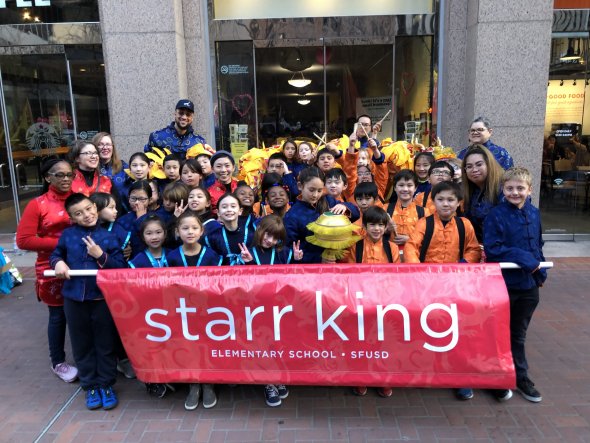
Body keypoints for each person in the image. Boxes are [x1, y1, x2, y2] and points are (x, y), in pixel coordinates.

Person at [50, 193, 126, 410]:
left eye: (88, 209)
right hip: (74, 299)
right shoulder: (68, 235)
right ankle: (90, 386)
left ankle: (106, 384)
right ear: (71, 217)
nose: (86, 215)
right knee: (81, 344)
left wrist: (100, 255)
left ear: (95, 206)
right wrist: (58, 262)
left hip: (102, 298)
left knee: (105, 343)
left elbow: (120, 267)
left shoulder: (109, 236)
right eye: (78, 213)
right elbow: (56, 254)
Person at [483, 167, 548, 403]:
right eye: (510, 188)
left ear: (529, 190)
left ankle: (520, 376)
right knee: (497, 333)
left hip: (528, 285)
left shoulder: (534, 213)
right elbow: (493, 249)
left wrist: (540, 273)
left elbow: (538, 244)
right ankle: (495, 377)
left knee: (518, 334)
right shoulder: (496, 215)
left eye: (520, 188)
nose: (515, 192)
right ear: (503, 189)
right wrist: (526, 260)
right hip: (503, 285)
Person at [16, 158, 78, 383]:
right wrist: (63, 244)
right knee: (58, 316)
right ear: (47, 177)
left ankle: (85, 357)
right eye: (59, 175)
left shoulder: (80, 198)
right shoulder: (38, 204)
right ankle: (58, 362)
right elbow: (23, 240)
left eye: (69, 174)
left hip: (80, 264)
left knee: (81, 313)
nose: (66, 179)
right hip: (50, 267)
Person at [237, 214, 303, 407]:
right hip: (256, 310)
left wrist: (297, 261)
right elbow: (241, 282)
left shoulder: (284, 253)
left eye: (275, 237)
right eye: (267, 234)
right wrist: (248, 263)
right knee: (262, 347)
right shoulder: (247, 252)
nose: (269, 240)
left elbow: (294, 280)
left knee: (279, 345)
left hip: (279, 310)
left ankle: (277, 377)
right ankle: (268, 383)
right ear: (259, 230)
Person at [341, 206, 400, 398]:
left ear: (386, 227)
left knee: (384, 342)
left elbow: (398, 277)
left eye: (381, 225)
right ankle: (361, 377)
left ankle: (384, 378)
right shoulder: (355, 246)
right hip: (361, 302)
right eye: (372, 224)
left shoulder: (392, 248)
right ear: (364, 226)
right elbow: (348, 275)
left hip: (384, 302)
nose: (376, 229)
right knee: (361, 342)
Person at [166, 210, 222, 410]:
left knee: (206, 345)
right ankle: (193, 383)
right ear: (177, 231)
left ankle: (208, 383)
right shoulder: (172, 257)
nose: (190, 232)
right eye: (185, 228)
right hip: (182, 310)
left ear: (201, 231)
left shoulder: (212, 256)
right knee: (187, 346)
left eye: (194, 228)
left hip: (207, 311)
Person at [284, 167, 359, 264]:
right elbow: (289, 249)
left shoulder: (328, 201)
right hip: (310, 267)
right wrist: (318, 259)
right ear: (300, 186)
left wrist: (344, 206)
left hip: (335, 260)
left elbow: (356, 214)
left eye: (319, 190)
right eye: (311, 190)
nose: (315, 195)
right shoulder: (292, 215)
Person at [404, 182, 481, 264]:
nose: (445, 204)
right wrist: (418, 268)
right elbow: (411, 247)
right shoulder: (423, 223)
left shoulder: (464, 224)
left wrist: (462, 264)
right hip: (428, 271)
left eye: (450, 200)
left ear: (458, 202)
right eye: (440, 199)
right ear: (433, 201)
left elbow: (474, 250)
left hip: (455, 271)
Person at [462, 145, 504, 243]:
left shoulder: (504, 189)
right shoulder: (472, 191)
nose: (474, 169)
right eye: (469, 166)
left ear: (489, 164)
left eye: (479, 164)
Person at [203, 193, 255, 265]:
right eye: (224, 207)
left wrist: (250, 261)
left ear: (240, 211)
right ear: (218, 212)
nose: (229, 210)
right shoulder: (212, 238)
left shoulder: (252, 234)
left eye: (233, 206)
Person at [385, 170, 430, 251]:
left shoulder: (424, 212)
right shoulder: (384, 209)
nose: (405, 189)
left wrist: (410, 239)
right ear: (395, 188)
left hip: (414, 255)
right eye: (401, 185)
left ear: (415, 188)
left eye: (409, 185)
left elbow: (430, 238)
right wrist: (386, 230)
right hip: (389, 255)